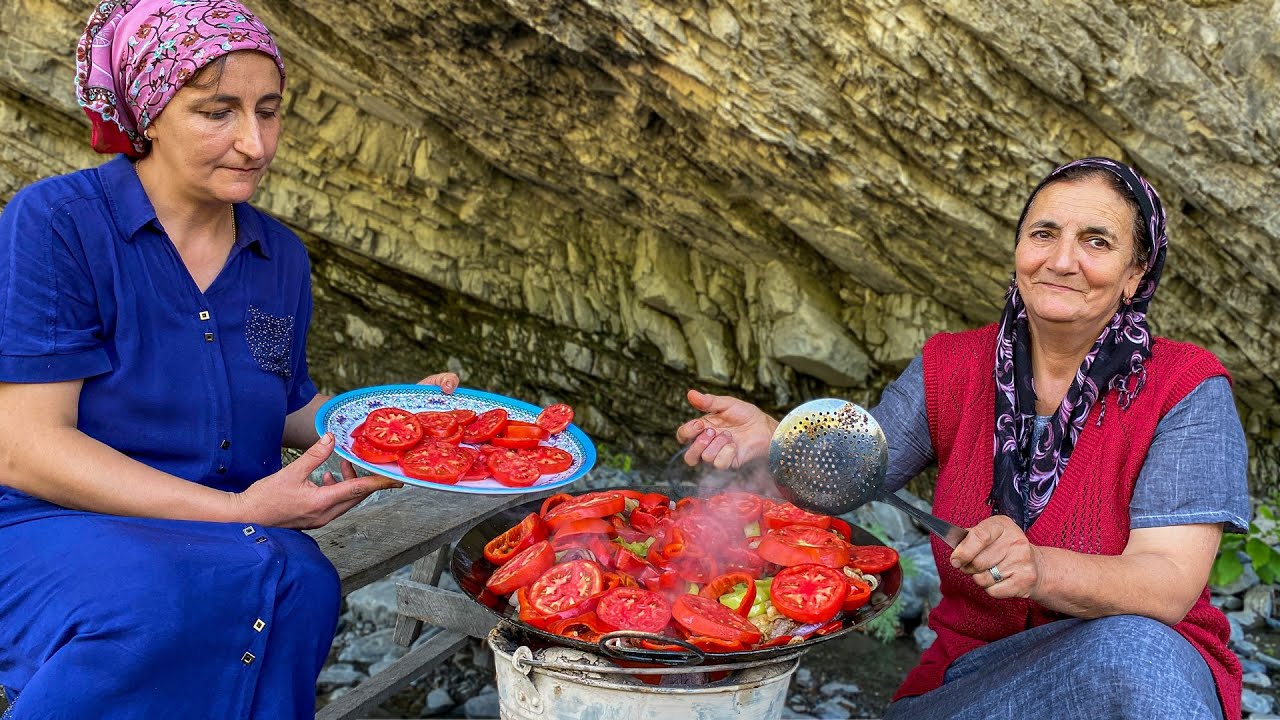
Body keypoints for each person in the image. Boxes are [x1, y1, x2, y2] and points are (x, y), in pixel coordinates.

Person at [0, 2, 460, 717]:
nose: (254, 142)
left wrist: (388, 423)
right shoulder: (57, 225)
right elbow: (27, 450)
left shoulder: (277, 257)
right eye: (218, 111)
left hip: (226, 526)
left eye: (269, 111)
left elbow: (278, 398)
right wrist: (238, 508)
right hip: (56, 523)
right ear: (148, 113)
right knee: (152, 602)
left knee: (299, 580)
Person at [676, 157, 1250, 719]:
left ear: (1136, 274)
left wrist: (1039, 568)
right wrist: (778, 439)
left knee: (1130, 651)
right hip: (972, 680)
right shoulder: (952, 366)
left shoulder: (1185, 388)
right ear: (1019, 251)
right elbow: (847, 477)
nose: (1062, 260)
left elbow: (1167, 584)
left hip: (1138, 675)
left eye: (1097, 241)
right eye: (1043, 233)